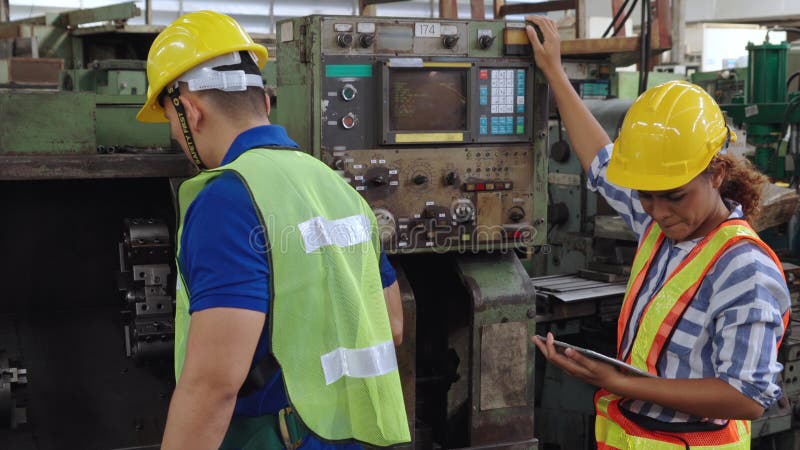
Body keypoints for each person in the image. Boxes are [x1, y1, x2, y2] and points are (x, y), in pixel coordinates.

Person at [136, 11, 410, 450]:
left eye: (171, 121)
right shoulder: (336, 186)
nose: (176, 136)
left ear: (189, 110)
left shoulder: (227, 199)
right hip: (347, 438)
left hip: (273, 438)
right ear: (264, 103)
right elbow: (392, 325)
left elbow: (213, 386)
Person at [526, 15, 791, 449]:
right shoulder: (660, 227)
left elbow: (747, 396)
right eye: (645, 196)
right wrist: (554, 71)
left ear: (717, 173)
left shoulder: (744, 268)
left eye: (674, 196)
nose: (659, 211)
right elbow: (600, 161)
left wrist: (619, 381)